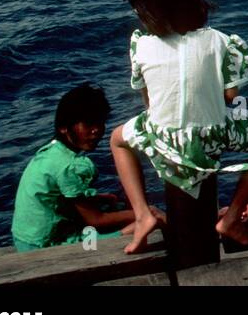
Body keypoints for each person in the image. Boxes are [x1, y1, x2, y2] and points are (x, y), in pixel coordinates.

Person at [109, 0, 248, 251]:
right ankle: (231, 218)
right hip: (213, 135)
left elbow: (149, 101)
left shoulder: (141, 46)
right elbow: (230, 95)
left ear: (147, 11)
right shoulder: (221, 41)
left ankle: (142, 215)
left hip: (163, 137)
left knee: (117, 141)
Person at [12, 85, 161, 251]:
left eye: (100, 122)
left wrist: (96, 199)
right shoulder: (69, 166)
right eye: (89, 124)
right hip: (44, 246)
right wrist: (145, 212)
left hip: (25, 240)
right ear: (64, 127)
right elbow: (96, 220)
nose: (96, 130)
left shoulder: (53, 152)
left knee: (115, 206)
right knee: (151, 219)